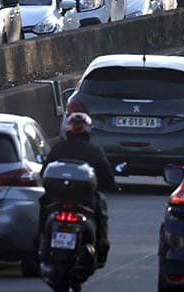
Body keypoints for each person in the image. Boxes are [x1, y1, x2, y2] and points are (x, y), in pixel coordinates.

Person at [42, 112, 115, 266]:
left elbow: (44, 173)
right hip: (83, 200)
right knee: (101, 214)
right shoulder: (94, 150)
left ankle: (39, 244)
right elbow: (107, 176)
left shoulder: (58, 148)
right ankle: (101, 250)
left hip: (58, 198)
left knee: (42, 207)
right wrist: (111, 185)